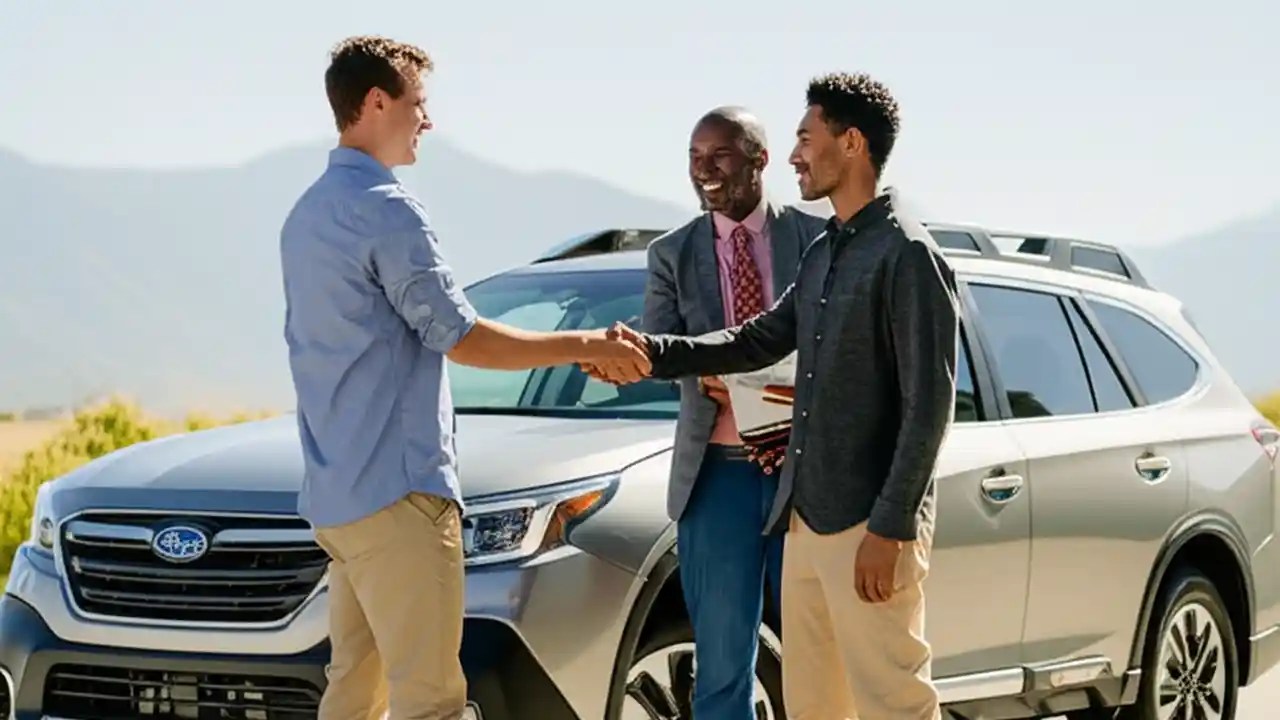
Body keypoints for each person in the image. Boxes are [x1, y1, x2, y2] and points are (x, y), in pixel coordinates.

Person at [279, 35, 649, 720]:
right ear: (377, 102)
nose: (428, 120)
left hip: (337, 500)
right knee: (431, 701)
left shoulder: (304, 216)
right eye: (419, 103)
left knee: (353, 694)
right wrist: (585, 344)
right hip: (399, 494)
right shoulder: (388, 209)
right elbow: (460, 337)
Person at [592, 72, 959, 720]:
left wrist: (892, 525)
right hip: (806, 520)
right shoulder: (825, 250)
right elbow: (758, 339)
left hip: (868, 526)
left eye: (804, 138)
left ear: (850, 143)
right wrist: (652, 353)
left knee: (894, 702)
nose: (794, 156)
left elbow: (929, 406)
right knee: (817, 706)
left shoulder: (907, 254)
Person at [641, 106, 826, 719]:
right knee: (721, 667)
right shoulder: (670, 255)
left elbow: (832, 347)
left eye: (719, 155)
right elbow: (665, 354)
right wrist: (728, 381)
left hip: (806, 475)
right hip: (716, 474)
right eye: (695, 158)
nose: (705, 171)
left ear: (759, 159)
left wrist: (754, 384)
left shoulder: (817, 239)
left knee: (819, 655)